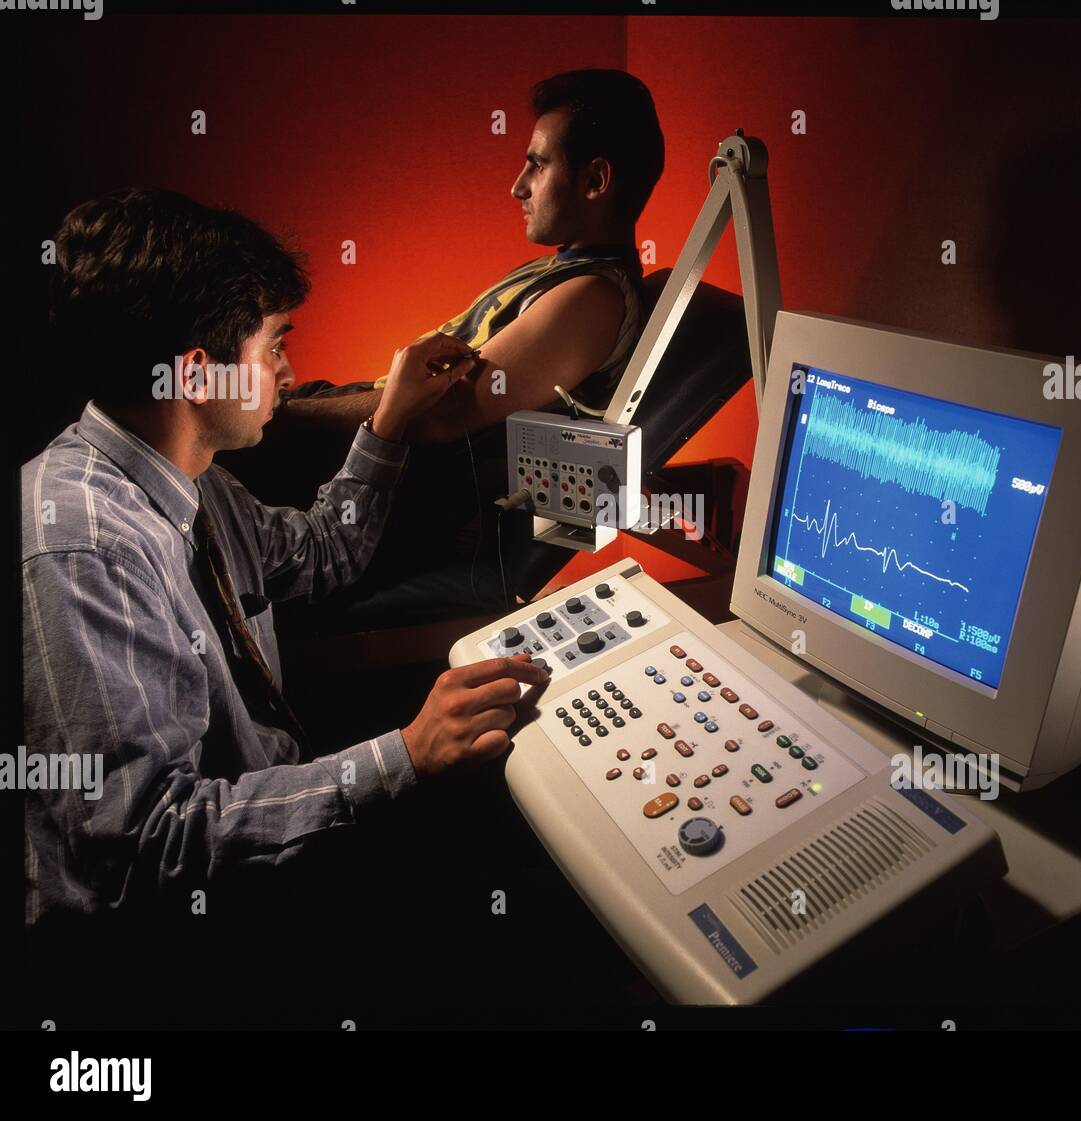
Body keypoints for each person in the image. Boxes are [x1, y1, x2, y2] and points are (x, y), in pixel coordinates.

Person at [21, 187, 550, 940]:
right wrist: (405, 754)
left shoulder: (188, 469)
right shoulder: (82, 548)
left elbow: (318, 553)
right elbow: (141, 847)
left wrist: (389, 421)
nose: (289, 372)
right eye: (274, 346)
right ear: (200, 377)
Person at [223, 69, 666, 623]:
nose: (518, 185)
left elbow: (435, 413)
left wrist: (288, 419)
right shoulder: (564, 271)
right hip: (379, 440)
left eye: (537, 162)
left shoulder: (590, 299)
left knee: (219, 440)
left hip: (405, 503)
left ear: (596, 180)